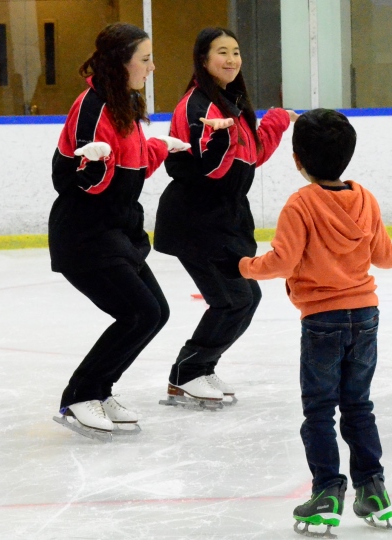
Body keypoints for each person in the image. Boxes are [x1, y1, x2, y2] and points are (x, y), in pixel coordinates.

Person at [214, 109, 392, 535]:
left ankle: (327, 490)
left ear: (296, 159)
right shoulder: (365, 198)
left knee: (320, 410)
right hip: (365, 316)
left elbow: (283, 262)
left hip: (322, 321)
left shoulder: (301, 204)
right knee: (358, 405)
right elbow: (383, 256)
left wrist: (243, 266)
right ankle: (373, 487)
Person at [50, 23, 189, 440]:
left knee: (155, 312)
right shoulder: (90, 107)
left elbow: (131, 166)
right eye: (145, 59)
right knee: (139, 313)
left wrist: (161, 147)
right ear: (120, 61)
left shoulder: (121, 103)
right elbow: (69, 178)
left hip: (118, 228)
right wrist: (86, 162)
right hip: (85, 233)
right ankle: (81, 396)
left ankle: (100, 390)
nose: (152, 67)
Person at [154, 27, 295, 409]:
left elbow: (251, 154)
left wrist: (276, 121)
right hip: (196, 220)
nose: (232, 59)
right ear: (203, 60)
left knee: (246, 297)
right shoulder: (195, 105)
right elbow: (205, 169)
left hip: (225, 217)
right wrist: (220, 138)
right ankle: (187, 373)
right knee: (234, 299)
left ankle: (199, 367)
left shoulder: (229, 102)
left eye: (235, 51)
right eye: (222, 52)